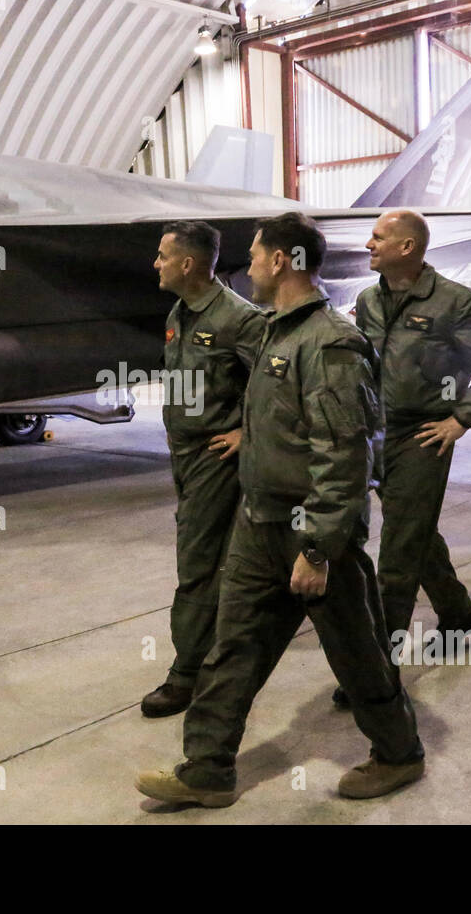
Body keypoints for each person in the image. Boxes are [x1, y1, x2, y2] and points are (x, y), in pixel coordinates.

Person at [136, 212, 424, 808]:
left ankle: (398, 754)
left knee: (357, 653)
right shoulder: (271, 331)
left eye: (256, 253)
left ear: (282, 261)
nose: (248, 265)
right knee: (232, 648)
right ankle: (207, 769)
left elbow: (344, 451)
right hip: (258, 522)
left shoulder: (330, 341)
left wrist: (319, 545)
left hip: (310, 534)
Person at [350, 210, 471, 667]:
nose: (369, 244)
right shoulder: (368, 300)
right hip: (376, 432)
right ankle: (458, 612)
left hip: (423, 435)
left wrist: (460, 419)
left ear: (407, 247)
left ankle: (376, 663)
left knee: (399, 545)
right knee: (416, 532)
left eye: (378, 237)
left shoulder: (453, 302)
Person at [141, 221, 264, 718]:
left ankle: (186, 673)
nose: (156, 263)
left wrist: (244, 433)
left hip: (216, 457)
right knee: (221, 562)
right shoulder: (179, 312)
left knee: (196, 564)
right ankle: (229, 652)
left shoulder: (239, 318)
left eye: (162, 255)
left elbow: (279, 384)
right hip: (184, 454)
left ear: (187, 264)